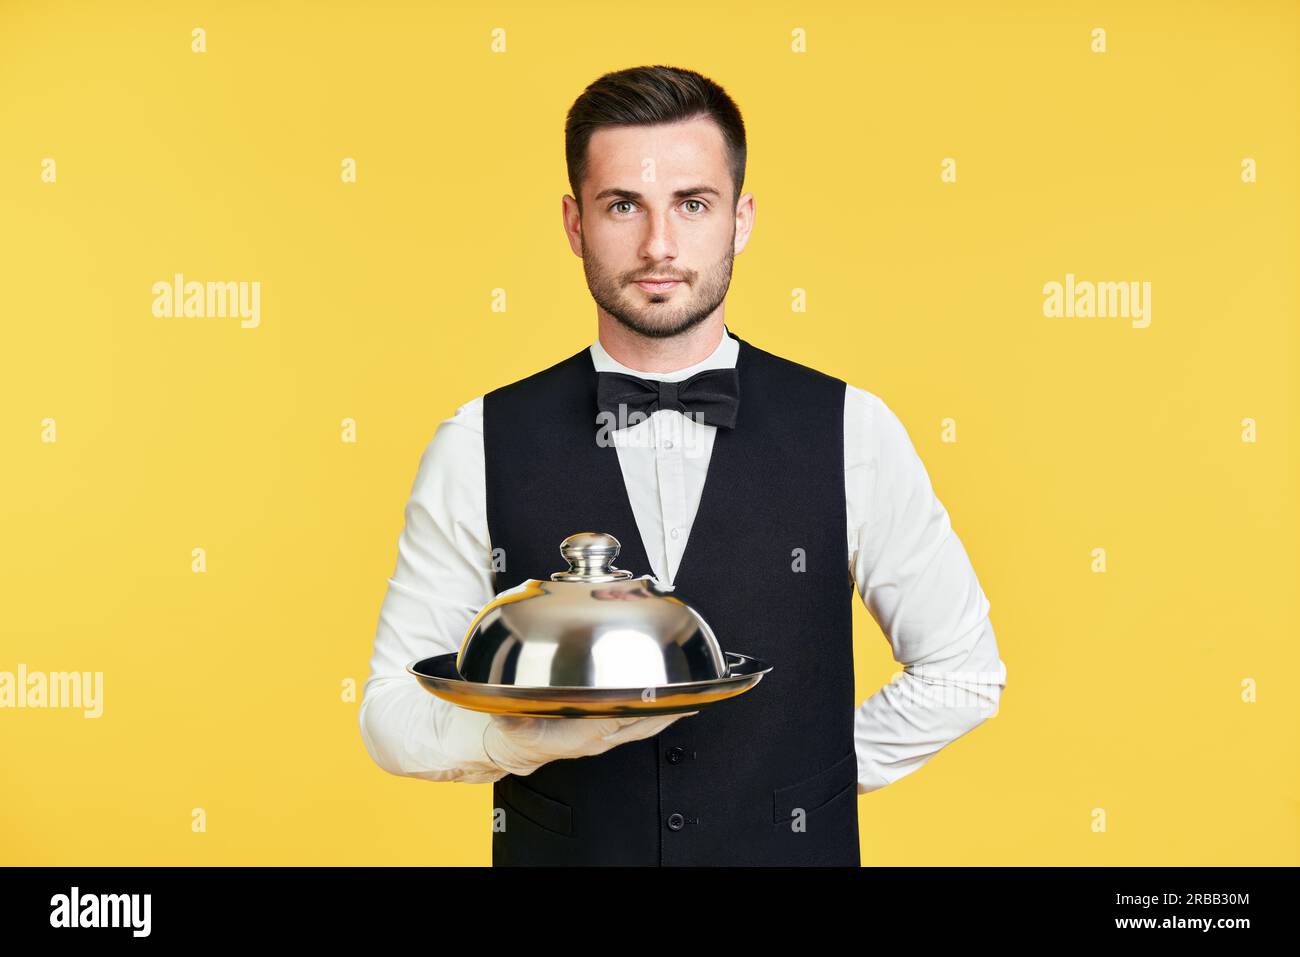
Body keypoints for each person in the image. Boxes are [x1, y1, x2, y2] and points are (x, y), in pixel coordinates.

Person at [359, 64, 1007, 866]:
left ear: (740, 219)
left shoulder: (854, 429)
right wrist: (514, 740)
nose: (658, 245)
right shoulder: (477, 438)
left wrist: (813, 783)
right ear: (574, 223)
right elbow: (388, 712)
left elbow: (963, 671)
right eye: (622, 204)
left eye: (692, 204)